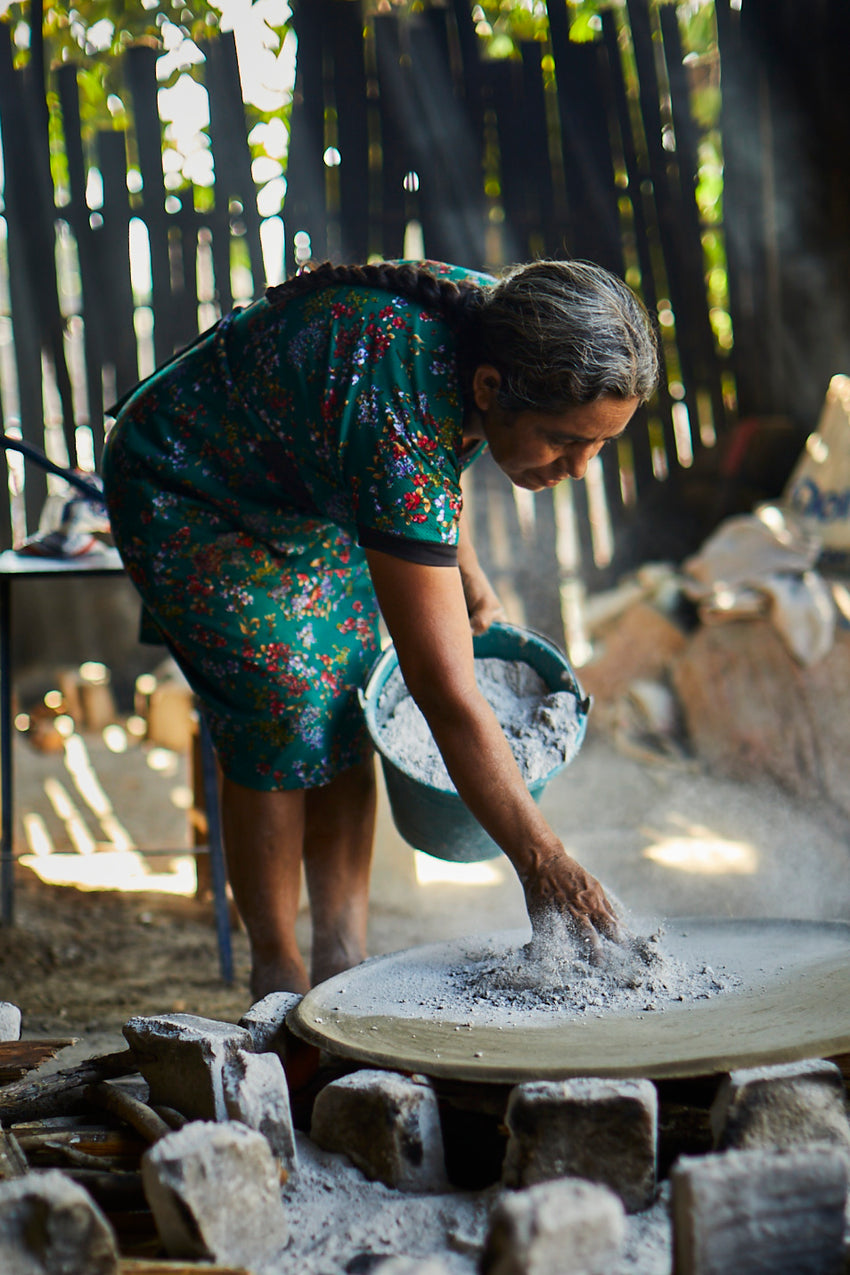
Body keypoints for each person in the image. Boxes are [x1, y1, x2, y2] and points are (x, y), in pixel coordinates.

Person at [102, 258, 659, 999]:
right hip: (192, 482)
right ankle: (277, 977)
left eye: (601, 444)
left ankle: (341, 964)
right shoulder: (402, 401)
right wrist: (545, 862)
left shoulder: (509, 325)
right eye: (564, 439)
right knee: (283, 699)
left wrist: (471, 578)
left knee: (344, 704)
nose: (582, 466)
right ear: (492, 389)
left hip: (308, 484)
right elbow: (443, 688)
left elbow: (423, 468)